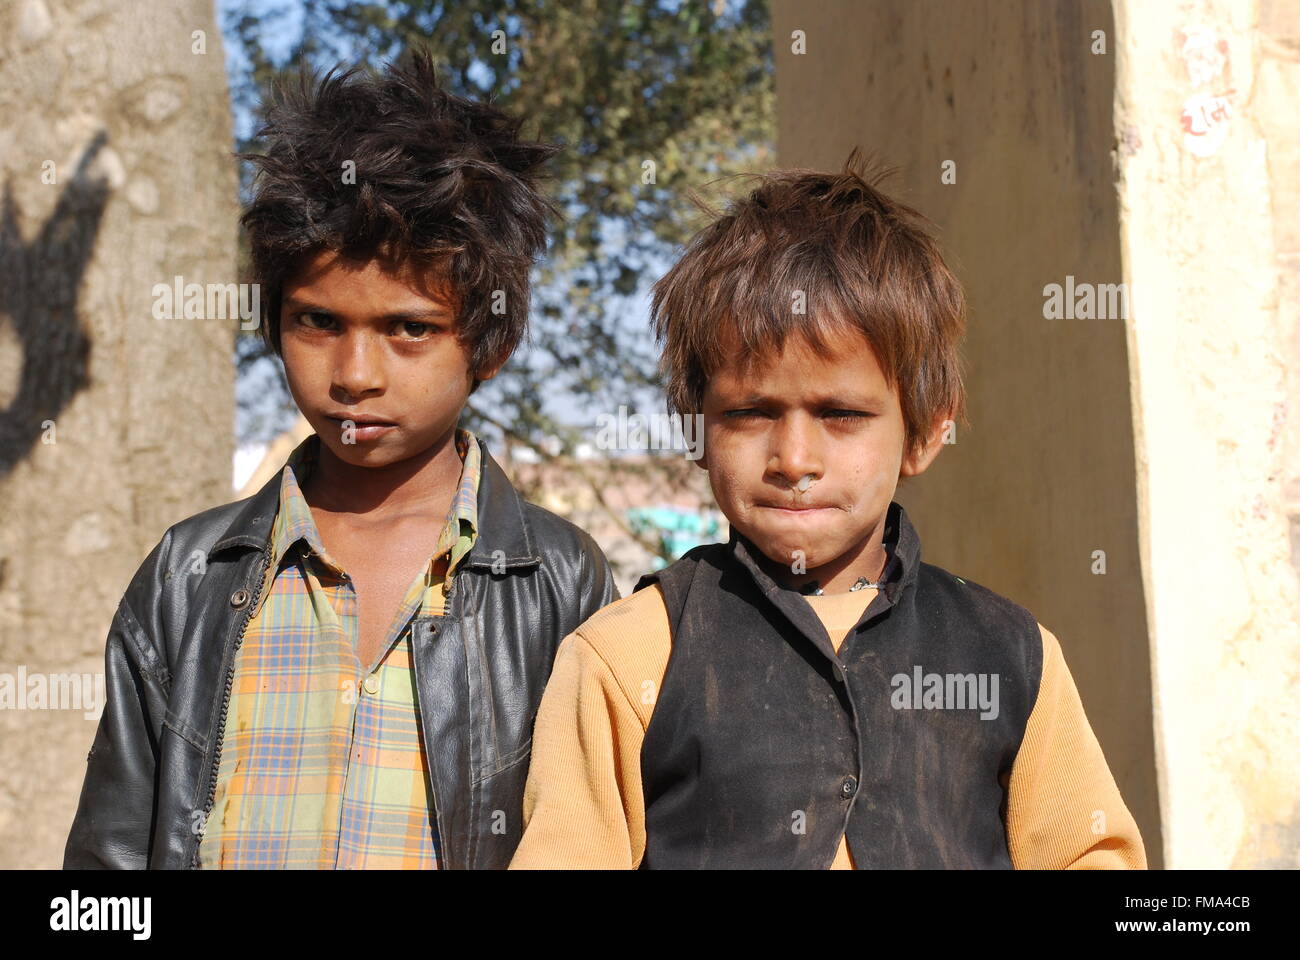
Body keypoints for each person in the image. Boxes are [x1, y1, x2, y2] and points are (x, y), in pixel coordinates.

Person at [510, 151, 1145, 869]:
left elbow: (1087, 855)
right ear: (695, 427)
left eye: (841, 414)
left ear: (929, 430)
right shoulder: (628, 655)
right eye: (749, 413)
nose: (794, 459)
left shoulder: (1010, 653)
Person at [64, 51, 617, 870]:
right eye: (316, 321)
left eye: (409, 328)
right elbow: (109, 861)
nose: (355, 375)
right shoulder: (189, 576)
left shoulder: (557, 584)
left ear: (491, 343)